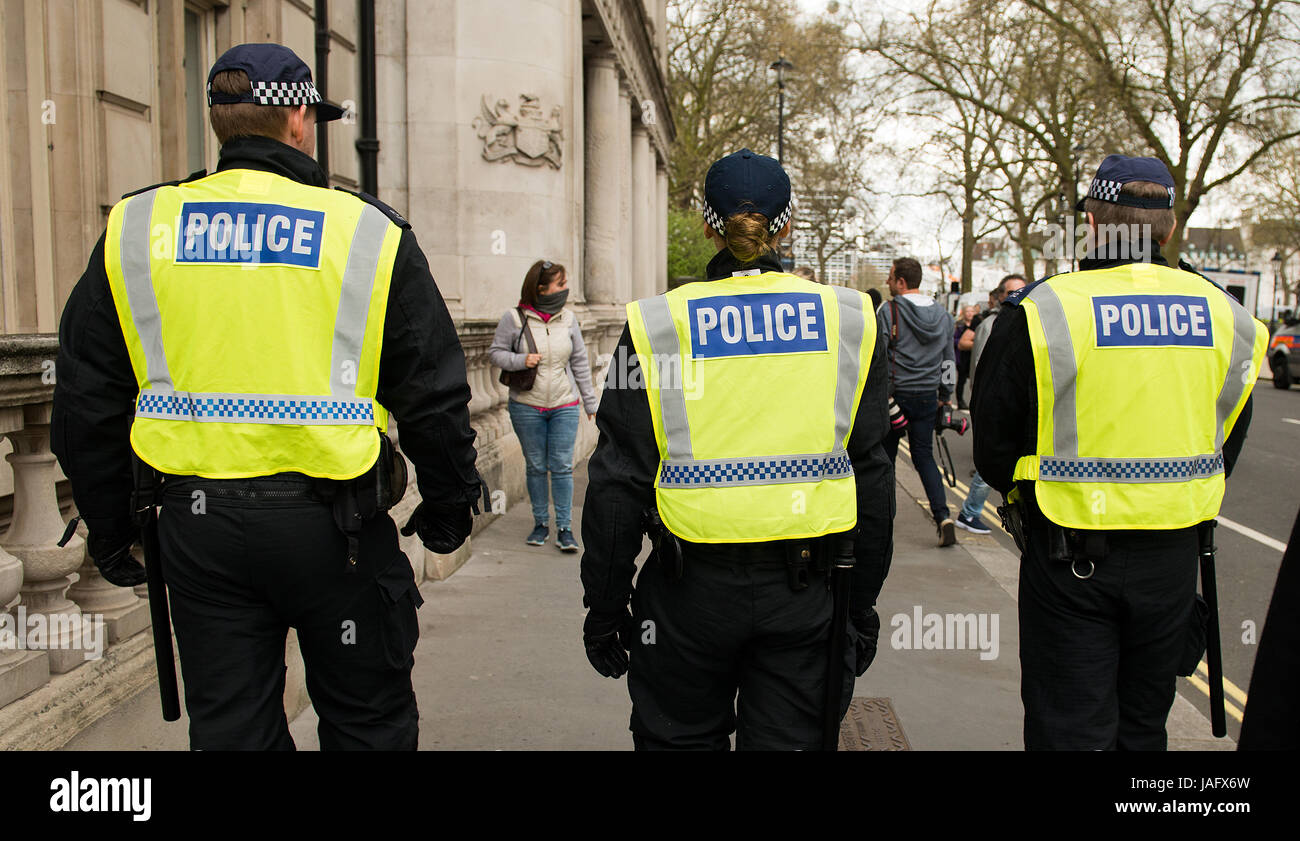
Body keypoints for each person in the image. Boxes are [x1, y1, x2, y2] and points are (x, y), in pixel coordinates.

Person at [50, 44, 485, 750]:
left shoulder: (138, 228)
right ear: (299, 122)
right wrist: (448, 503)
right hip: (336, 530)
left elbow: (85, 399)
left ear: (223, 125)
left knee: (231, 732)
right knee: (368, 722)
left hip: (198, 528)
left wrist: (109, 524)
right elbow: (432, 391)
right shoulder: (365, 232)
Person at [578, 148, 895, 750]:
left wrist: (605, 606)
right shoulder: (850, 319)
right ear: (789, 224)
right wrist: (862, 607)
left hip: (686, 594)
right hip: (808, 593)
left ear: (706, 225)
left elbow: (617, 481)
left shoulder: (659, 324)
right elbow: (872, 477)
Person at [973, 155, 1268, 750]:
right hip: (1174, 557)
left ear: (1091, 219)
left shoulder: (1044, 309)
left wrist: (1028, 491)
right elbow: (1226, 437)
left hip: (1070, 556)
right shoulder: (1229, 316)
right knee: (1143, 727)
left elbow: (994, 444)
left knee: (1069, 728)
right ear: (1167, 229)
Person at [489, 260, 598, 552]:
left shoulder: (569, 319)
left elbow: (579, 363)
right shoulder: (514, 319)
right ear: (541, 288)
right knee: (537, 466)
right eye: (560, 284)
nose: (566, 289)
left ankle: (564, 527)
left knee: (561, 466)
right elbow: (496, 353)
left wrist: (590, 402)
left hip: (564, 403)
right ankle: (540, 524)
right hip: (526, 405)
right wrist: (519, 361)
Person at [878, 258, 958, 546]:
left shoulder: (889, 311)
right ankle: (943, 516)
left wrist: (883, 395)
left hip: (895, 399)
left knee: (886, 461)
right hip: (927, 398)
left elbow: (879, 357)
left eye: (890, 277)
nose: (887, 283)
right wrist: (945, 396)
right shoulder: (944, 316)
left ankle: (883, 524)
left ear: (901, 281)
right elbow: (949, 360)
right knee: (924, 458)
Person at [956, 274, 1026, 535]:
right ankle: (970, 512)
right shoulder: (992, 325)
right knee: (995, 459)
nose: (1017, 296)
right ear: (999, 296)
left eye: (1022, 289)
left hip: (1017, 403)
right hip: (997, 405)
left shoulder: (1026, 320)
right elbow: (984, 370)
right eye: (1011, 292)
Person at [954, 304, 977, 409]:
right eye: (967, 311)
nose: (970, 313)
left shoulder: (977, 325)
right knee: (961, 380)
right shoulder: (959, 325)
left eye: (972, 311)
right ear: (963, 313)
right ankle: (960, 401)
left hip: (972, 355)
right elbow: (953, 339)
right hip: (961, 356)